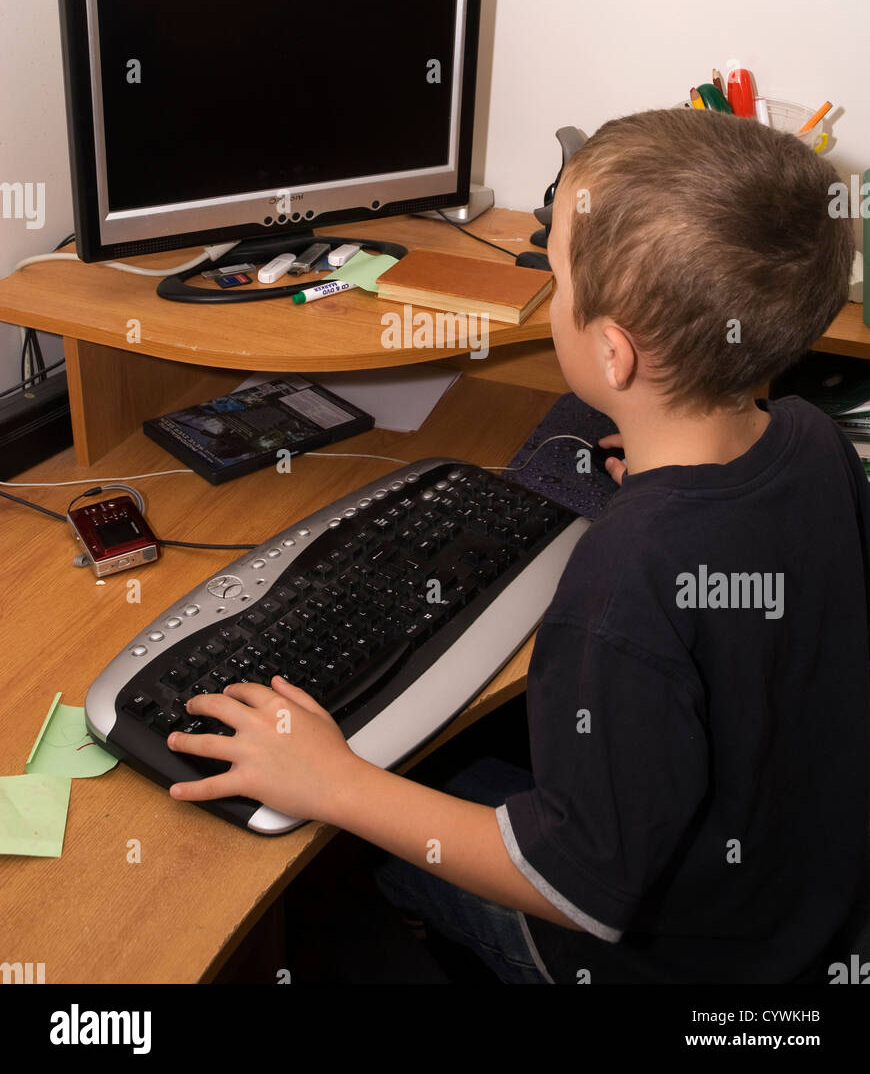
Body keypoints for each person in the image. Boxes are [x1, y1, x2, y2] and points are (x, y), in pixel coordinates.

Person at [166, 108, 869, 983]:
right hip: (799, 896)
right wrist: (661, 494)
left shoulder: (625, 575)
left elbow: (581, 885)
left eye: (561, 279)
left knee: (345, 851)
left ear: (612, 355)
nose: (553, 292)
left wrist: (329, 782)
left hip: (664, 953)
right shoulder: (812, 440)